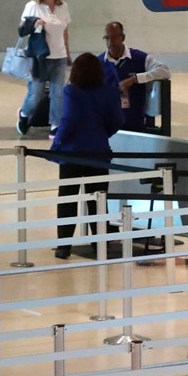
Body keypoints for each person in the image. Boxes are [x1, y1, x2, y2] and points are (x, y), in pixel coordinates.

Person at [50, 52, 123, 259]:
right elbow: (118, 120)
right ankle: (99, 243)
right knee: (98, 199)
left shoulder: (72, 91)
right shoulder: (109, 92)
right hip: (98, 151)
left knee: (68, 197)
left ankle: (64, 246)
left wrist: (57, 144)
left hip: (72, 153)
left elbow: (68, 121)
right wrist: (101, 133)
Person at [17, 0, 72, 138]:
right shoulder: (33, 6)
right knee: (36, 93)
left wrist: (68, 53)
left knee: (58, 93)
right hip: (40, 57)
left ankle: (55, 125)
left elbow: (65, 31)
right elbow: (22, 29)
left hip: (59, 56)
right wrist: (35, 23)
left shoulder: (63, 6)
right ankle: (25, 114)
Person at [98, 21, 172, 132]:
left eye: (114, 37)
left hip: (134, 122)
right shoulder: (98, 62)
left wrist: (136, 79)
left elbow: (165, 71)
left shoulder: (139, 58)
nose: (110, 42)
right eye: (107, 38)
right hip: (107, 124)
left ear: (122, 38)